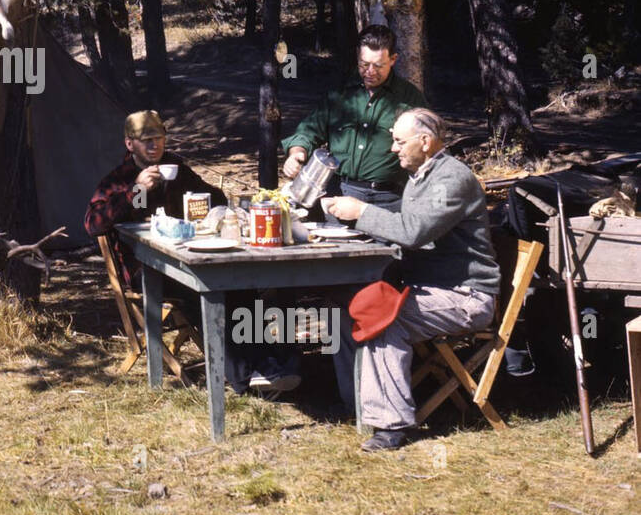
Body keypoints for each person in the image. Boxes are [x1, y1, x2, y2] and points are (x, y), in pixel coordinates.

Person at [84, 111, 300, 394]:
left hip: (185, 258)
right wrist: (136, 191)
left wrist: (199, 201)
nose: (154, 146)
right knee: (208, 290)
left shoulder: (174, 167)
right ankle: (245, 377)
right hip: (145, 271)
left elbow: (217, 197)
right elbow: (93, 223)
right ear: (130, 144)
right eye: (146, 140)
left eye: (159, 139)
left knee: (240, 286)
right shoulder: (120, 179)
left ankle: (269, 364)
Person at [325, 108, 501, 451]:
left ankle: (392, 425)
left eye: (399, 141)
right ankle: (356, 404)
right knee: (346, 306)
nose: (393, 148)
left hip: (466, 297)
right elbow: (409, 222)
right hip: (434, 289)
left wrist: (361, 212)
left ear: (425, 141)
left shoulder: (451, 180)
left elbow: (414, 231)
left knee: (386, 319)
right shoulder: (423, 175)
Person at [282, 25, 427, 209]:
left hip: (389, 200)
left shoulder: (410, 98)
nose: (370, 72)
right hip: (338, 195)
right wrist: (296, 154)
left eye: (378, 65)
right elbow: (309, 131)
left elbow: (429, 145)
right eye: (364, 64)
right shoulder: (340, 92)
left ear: (393, 59)